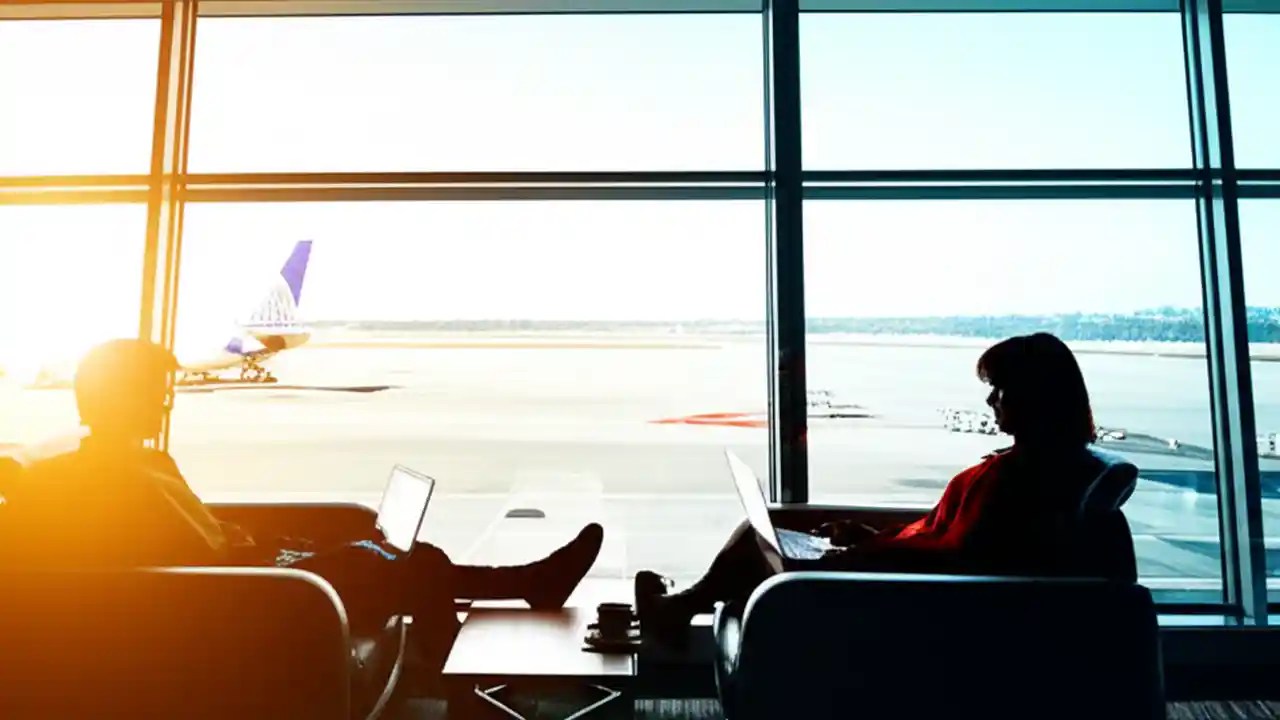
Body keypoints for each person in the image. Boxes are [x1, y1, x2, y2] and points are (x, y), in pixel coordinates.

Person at [0, 338, 604, 672]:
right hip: (248, 596)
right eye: (155, 393)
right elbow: (185, 562)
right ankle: (465, 675)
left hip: (254, 570)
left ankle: (517, 599)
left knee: (408, 556)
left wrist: (277, 542)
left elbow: (192, 532)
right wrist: (278, 556)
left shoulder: (136, 460)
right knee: (411, 565)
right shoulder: (104, 477)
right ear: (124, 398)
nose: (165, 404)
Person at [636, 332, 1109, 643]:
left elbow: (954, 559)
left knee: (756, 542)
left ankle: (680, 611)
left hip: (893, 594)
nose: (990, 399)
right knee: (769, 529)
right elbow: (946, 539)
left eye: (1000, 388)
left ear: (1032, 395)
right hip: (895, 572)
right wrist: (870, 535)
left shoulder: (1017, 478)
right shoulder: (1031, 468)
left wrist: (864, 556)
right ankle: (683, 608)